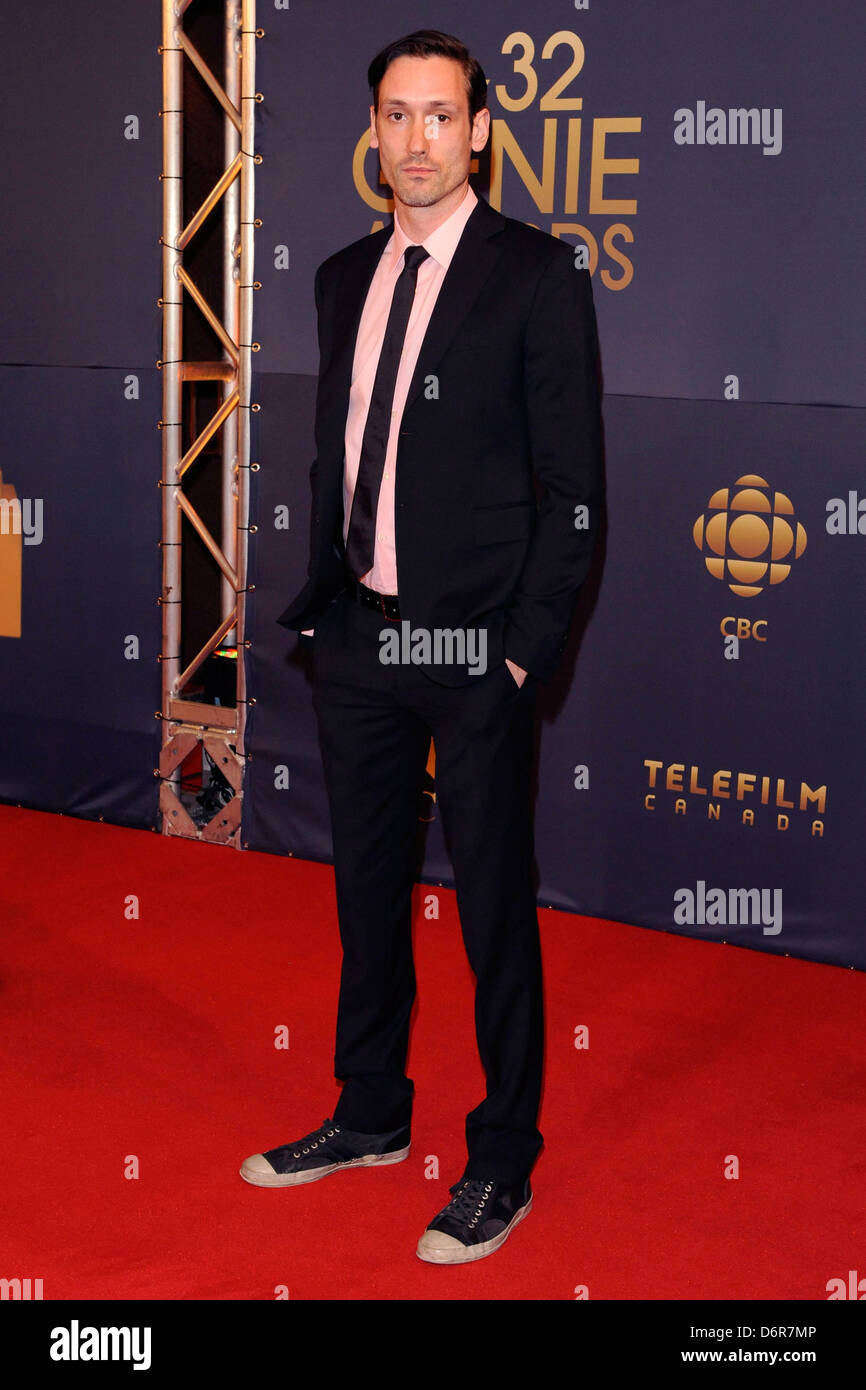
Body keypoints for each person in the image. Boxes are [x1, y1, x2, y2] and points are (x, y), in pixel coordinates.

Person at [240, 28, 603, 1265]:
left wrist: (517, 653)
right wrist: (331, 597)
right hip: (356, 638)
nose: (414, 141)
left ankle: (501, 1158)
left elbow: (573, 492)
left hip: (472, 647)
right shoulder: (343, 273)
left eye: (438, 116)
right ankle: (368, 1113)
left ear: (481, 130)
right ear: (374, 132)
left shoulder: (535, 277)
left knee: (494, 901)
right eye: (394, 116)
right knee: (364, 895)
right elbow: (341, 445)